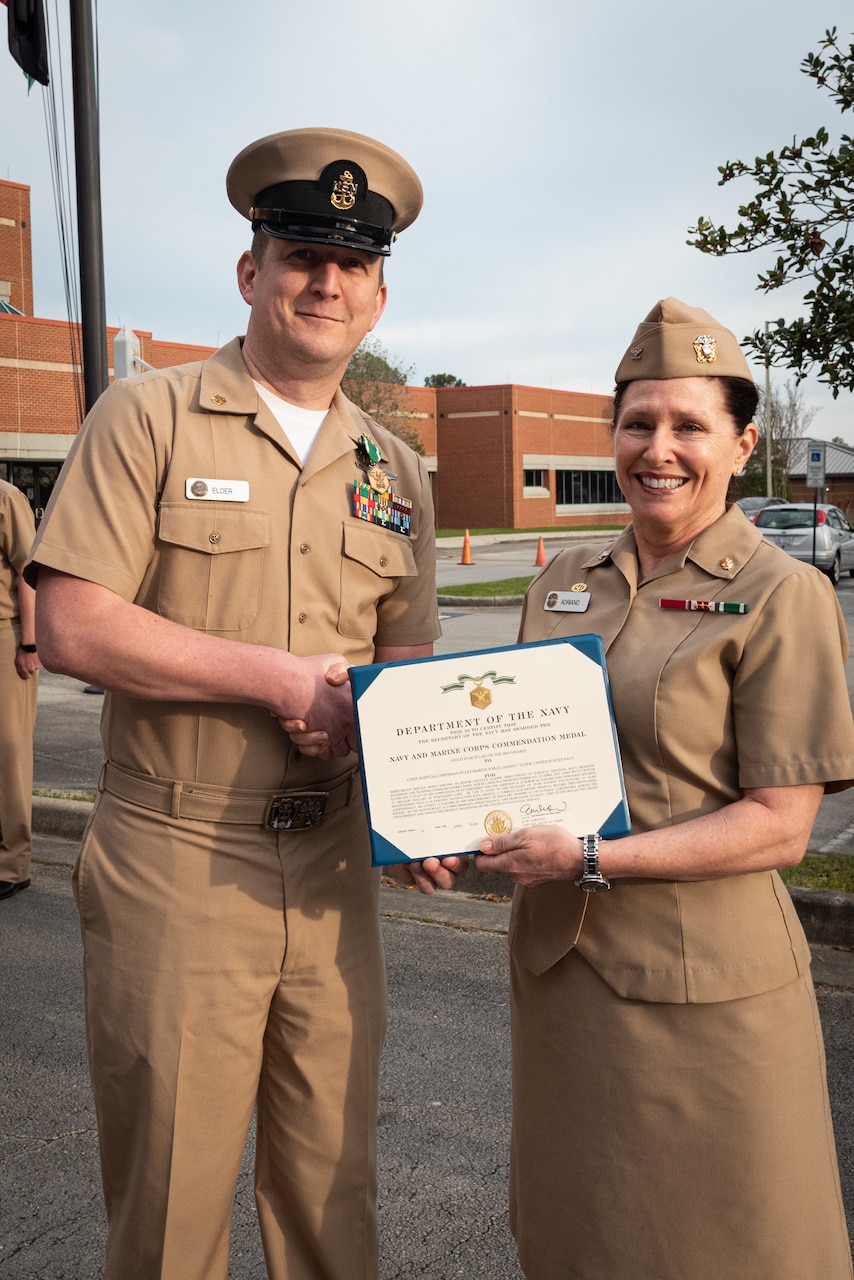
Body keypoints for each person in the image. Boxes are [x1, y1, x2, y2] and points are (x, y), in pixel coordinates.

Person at [26, 127, 464, 1280]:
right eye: (300, 252)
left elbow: (406, 661)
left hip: (328, 870)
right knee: (169, 1198)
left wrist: (429, 798)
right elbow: (70, 621)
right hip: (176, 856)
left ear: (377, 295)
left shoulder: (395, 469)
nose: (325, 280)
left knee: (333, 1191)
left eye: (350, 264)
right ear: (250, 271)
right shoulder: (149, 415)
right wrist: (273, 676)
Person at [476, 298, 854, 1280]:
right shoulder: (563, 576)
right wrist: (443, 822)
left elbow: (779, 825)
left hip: (703, 996)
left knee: (723, 1239)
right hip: (561, 977)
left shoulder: (780, 593)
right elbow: (511, 754)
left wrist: (589, 855)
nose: (658, 447)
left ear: (740, 440)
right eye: (637, 421)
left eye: (688, 424)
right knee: (577, 1231)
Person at [0, 477, 40, 900]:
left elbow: (28, 574)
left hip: (5, 637)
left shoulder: (6, 498)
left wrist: (29, 642)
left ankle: (13, 866)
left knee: (9, 751)